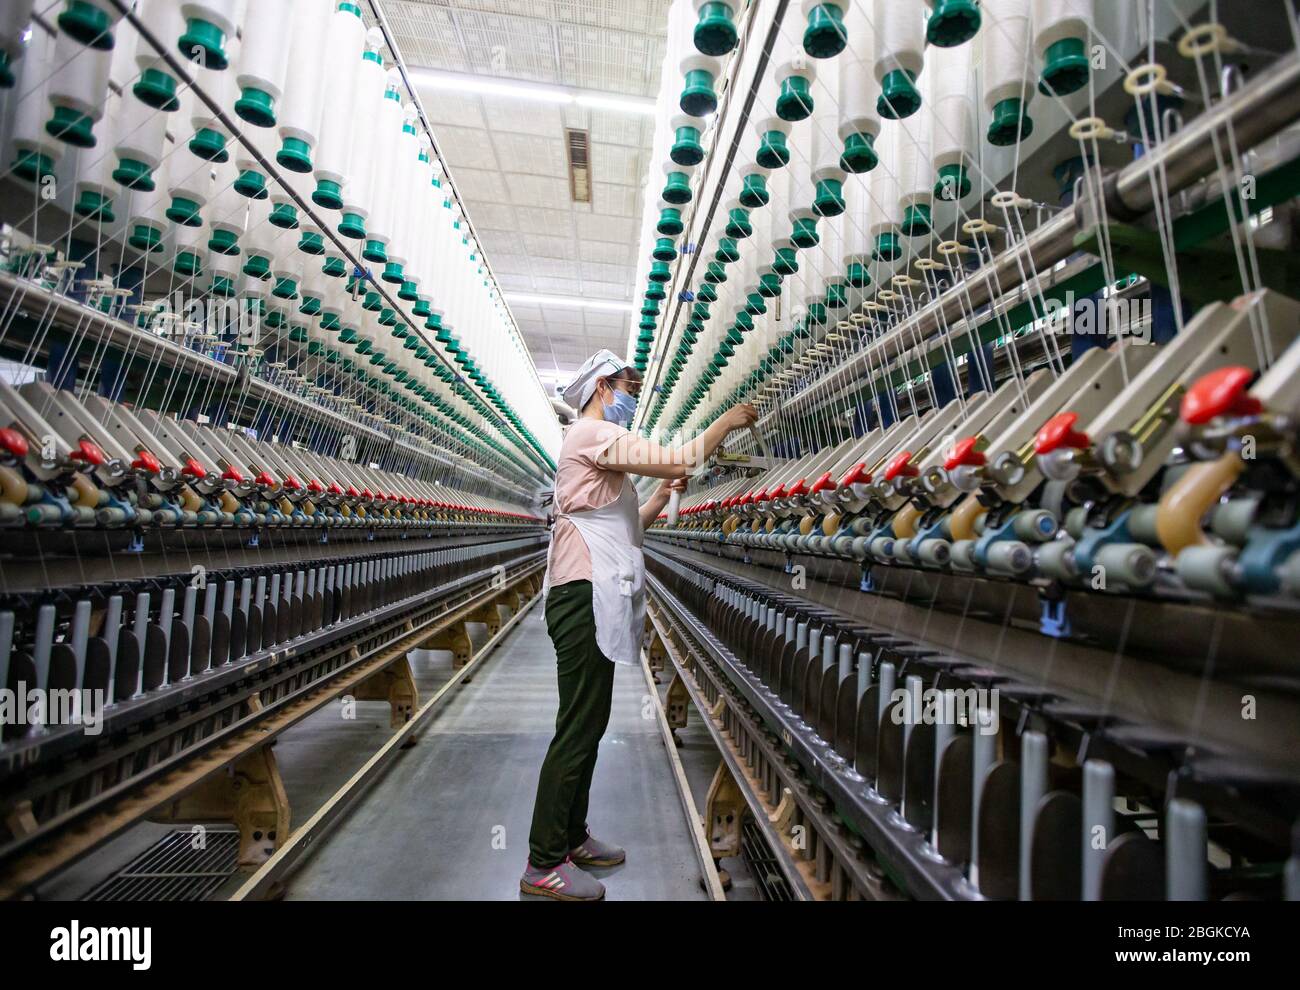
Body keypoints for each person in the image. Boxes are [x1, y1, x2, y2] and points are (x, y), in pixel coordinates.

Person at [520, 349, 758, 900]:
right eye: (627, 384)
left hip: (593, 591)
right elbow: (680, 461)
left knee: (591, 721)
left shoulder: (602, 449)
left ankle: (571, 836)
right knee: (577, 726)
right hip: (581, 595)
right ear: (603, 386)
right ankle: (541, 864)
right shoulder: (588, 434)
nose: (631, 394)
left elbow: (628, 528)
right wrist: (725, 421)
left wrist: (653, 500)